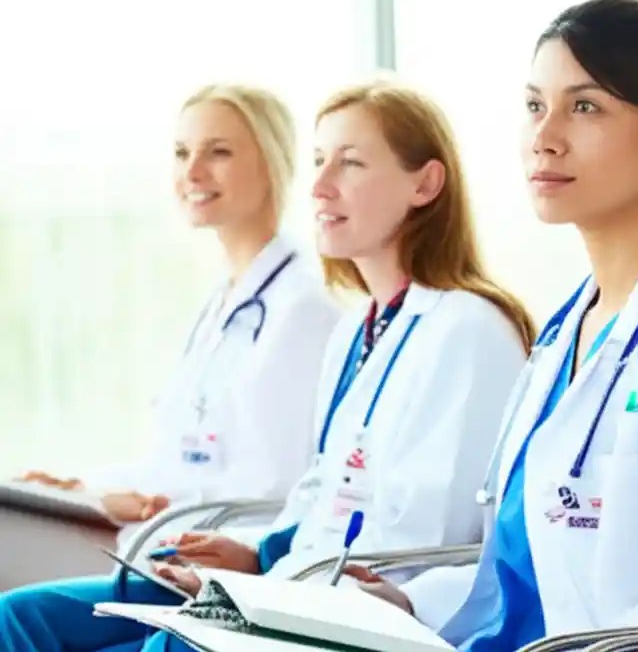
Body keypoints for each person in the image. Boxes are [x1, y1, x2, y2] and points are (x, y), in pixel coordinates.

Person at [0, 81, 533, 652]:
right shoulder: (359, 328)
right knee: (22, 619)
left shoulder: (468, 330)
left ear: (425, 184)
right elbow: (318, 490)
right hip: (288, 585)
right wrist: (258, 554)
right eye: (319, 162)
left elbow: (419, 536)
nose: (322, 186)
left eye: (350, 163)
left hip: (352, 610)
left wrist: (274, 576)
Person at [351, 0, 638, 652]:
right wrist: (405, 599)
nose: (545, 135)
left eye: (585, 107)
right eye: (536, 105)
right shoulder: (573, 327)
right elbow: (523, 573)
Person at [20, 84, 338, 526]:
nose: (193, 171)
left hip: (223, 557)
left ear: (272, 163)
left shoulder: (302, 307)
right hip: (177, 536)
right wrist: (83, 488)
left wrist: (147, 507)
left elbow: (271, 490)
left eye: (218, 152)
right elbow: (175, 461)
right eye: (182, 153)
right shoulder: (223, 303)